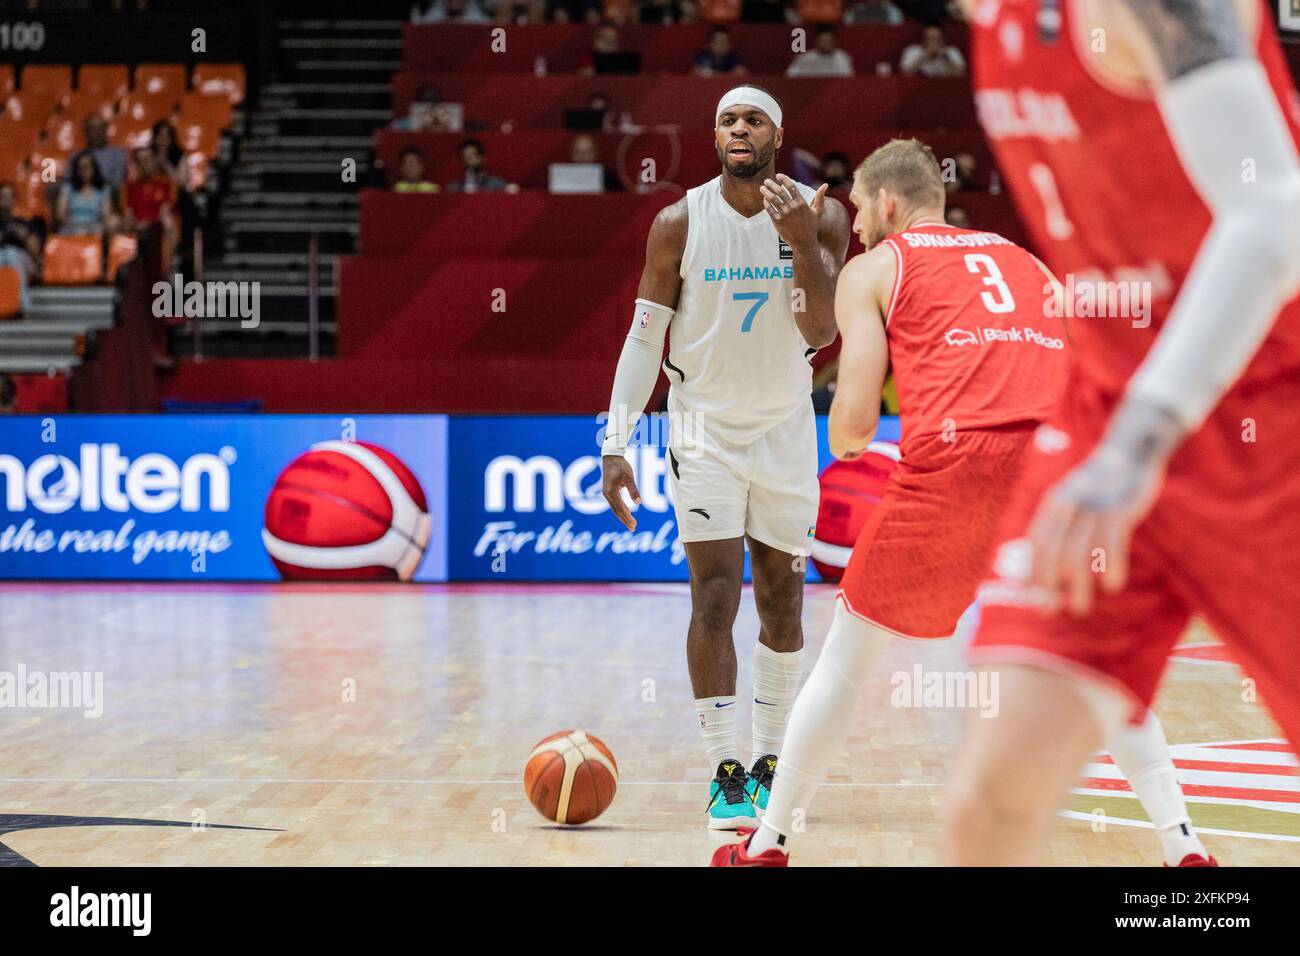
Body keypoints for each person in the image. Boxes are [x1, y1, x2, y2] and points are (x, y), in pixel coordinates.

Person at [711, 138, 1207, 867]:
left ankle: (769, 842)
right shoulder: (1029, 264)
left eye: (860, 210)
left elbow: (850, 424)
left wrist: (847, 447)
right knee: (1097, 665)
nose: (860, 224)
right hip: (1055, 470)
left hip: (955, 463)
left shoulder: (875, 266)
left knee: (847, 662)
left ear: (885, 203)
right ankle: (1183, 848)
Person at [944, 0, 1300, 866]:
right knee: (989, 802)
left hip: (1266, 424)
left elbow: (1279, 215)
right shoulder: (987, 14)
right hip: (1105, 419)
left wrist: (1142, 437)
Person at [600, 85, 851, 830]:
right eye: (727, 121)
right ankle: (724, 771)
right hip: (702, 430)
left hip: (783, 429)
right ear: (715, 138)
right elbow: (646, 340)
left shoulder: (822, 213)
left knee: (781, 599)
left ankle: (773, 761)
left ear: (778, 132)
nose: (739, 129)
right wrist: (615, 441)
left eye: (752, 119)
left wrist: (804, 243)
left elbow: (826, 329)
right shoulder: (679, 221)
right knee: (713, 596)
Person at [124, 147, 179, 252]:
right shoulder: (131, 187)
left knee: (168, 221)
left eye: (148, 160)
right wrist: (136, 223)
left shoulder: (164, 184)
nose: (145, 164)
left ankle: (169, 263)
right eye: (141, 161)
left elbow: (165, 211)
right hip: (136, 225)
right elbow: (128, 212)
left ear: (154, 161)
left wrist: (149, 224)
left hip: (157, 225)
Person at [0, 183, 42, 313]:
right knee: (3, 254)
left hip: (27, 265)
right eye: (2, 197)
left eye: (9, 197)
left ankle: (24, 305)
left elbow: (36, 254)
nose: (6, 201)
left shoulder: (24, 222)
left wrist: (25, 238)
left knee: (11, 253)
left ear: (14, 200)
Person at [65, 115, 129, 191]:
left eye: (100, 129)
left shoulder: (117, 153)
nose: (96, 132)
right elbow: (68, 181)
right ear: (86, 132)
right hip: (80, 196)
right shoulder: (76, 155)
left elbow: (117, 180)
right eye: (92, 129)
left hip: (108, 195)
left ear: (105, 130)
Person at [56, 153, 115, 236]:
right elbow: (61, 214)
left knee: (110, 225)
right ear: (76, 170)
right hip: (72, 227)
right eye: (81, 168)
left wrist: (93, 227)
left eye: (87, 167)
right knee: (79, 232)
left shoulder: (103, 189)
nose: (84, 171)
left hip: (95, 227)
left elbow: (106, 215)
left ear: (94, 168)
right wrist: (76, 226)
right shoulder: (68, 188)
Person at [786, 25, 855, 78]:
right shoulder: (803, 58)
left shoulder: (843, 58)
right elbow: (789, 77)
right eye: (822, 40)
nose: (825, 44)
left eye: (828, 40)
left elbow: (847, 81)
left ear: (835, 41)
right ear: (816, 41)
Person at [444, 139, 510, 193]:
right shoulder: (454, 187)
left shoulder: (497, 184)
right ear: (461, 161)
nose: (471, 160)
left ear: (483, 158)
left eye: (474, 155)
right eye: (466, 157)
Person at [900, 25, 966, 77]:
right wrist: (925, 55)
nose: (933, 42)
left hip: (946, 87)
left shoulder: (952, 51)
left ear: (943, 39)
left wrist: (946, 58)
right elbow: (905, 74)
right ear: (924, 39)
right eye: (930, 38)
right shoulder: (912, 50)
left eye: (937, 38)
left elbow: (961, 75)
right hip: (920, 87)